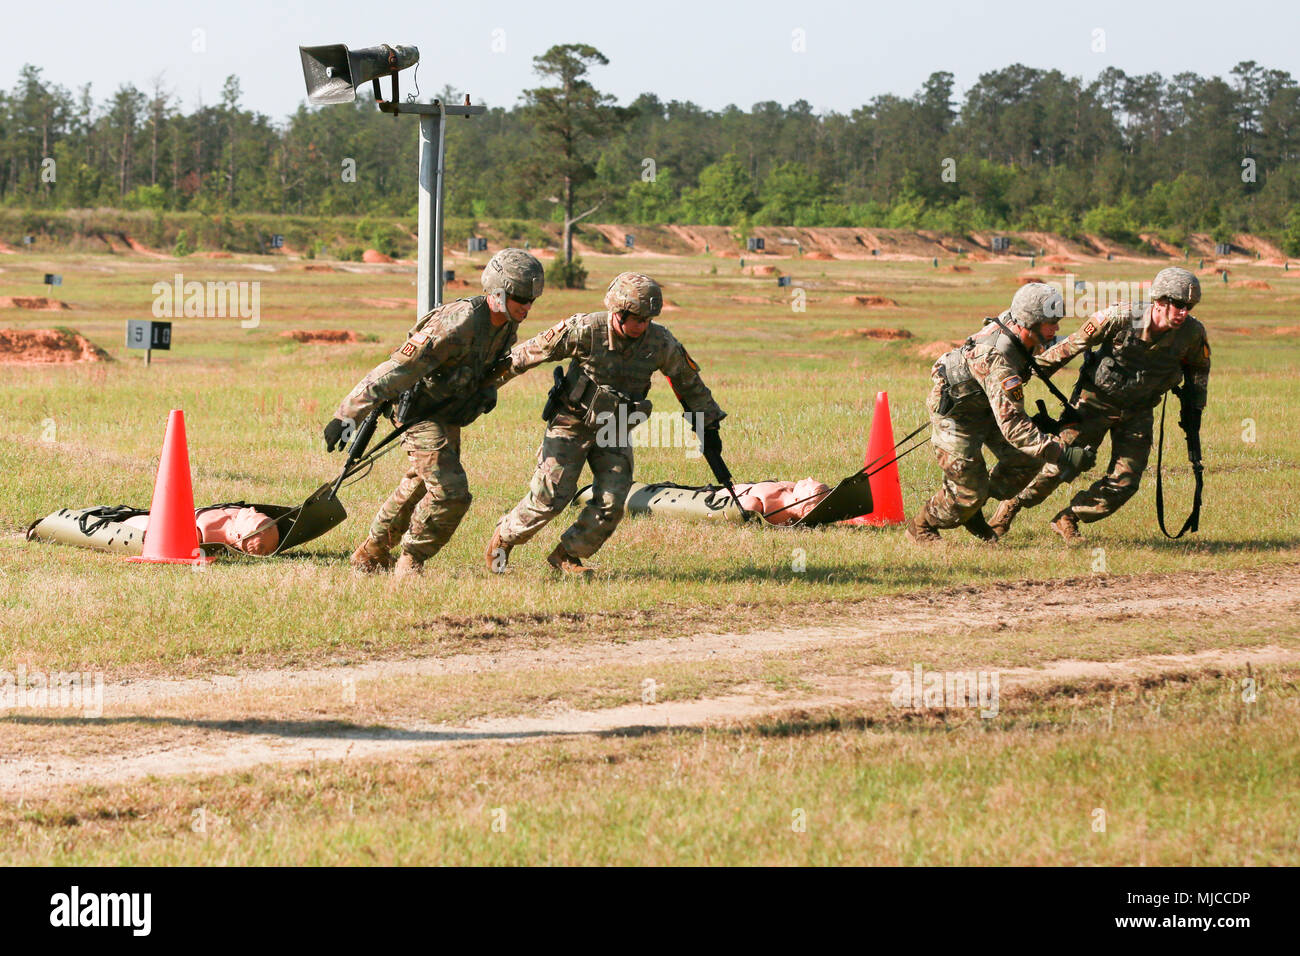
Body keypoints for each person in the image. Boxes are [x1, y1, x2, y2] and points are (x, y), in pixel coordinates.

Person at [322, 249, 544, 577]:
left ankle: (370, 553)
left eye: (531, 300)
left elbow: (491, 367)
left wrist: (486, 389)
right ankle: (411, 559)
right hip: (418, 412)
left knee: (419, 484)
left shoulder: (505, 324)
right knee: (451, 492)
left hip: (446, 412)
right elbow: (398, 368)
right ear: (497, 291)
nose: (526, 307)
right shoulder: (460, 321)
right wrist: (347, 416)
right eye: (520, 298)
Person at [484, 272, 725, 573]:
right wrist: (484, 387)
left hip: (615, 429)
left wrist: (708, 423)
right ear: (617, 312)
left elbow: (688, 381)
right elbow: (526, 355)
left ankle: (567, 555)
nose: (642, 326)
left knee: (612, 502)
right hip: (571, 422)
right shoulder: (585, 329)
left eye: (647, 319)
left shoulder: (660, 342)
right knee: (551, 498)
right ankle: (505, 537)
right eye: (636, 318)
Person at [988, 267, 1211, 541]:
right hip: (1094, 403)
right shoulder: (1119, 318)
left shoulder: (1192, 333)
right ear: (1159, 301)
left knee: (1126, 482)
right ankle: (1012, 505)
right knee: (1062, 463)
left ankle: (1069, 517)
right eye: (1178, 304)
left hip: (1139, 410)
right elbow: (1070, 347)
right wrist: (1026, 372)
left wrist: (1194, 408)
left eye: (1189, 306)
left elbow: (1199, 369)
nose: (1183, 312)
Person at [907, 283, 1096, 543]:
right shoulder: (997, 358)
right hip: (957, 418)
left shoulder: (1021, 327)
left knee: (1026, 461)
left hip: (988, 408)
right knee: (967, 493)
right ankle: (922, 525)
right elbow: (1014, 428)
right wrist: (1062, 453)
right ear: (1030, 322)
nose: (1056, 328)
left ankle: (973, 509)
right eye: (1050, 322)